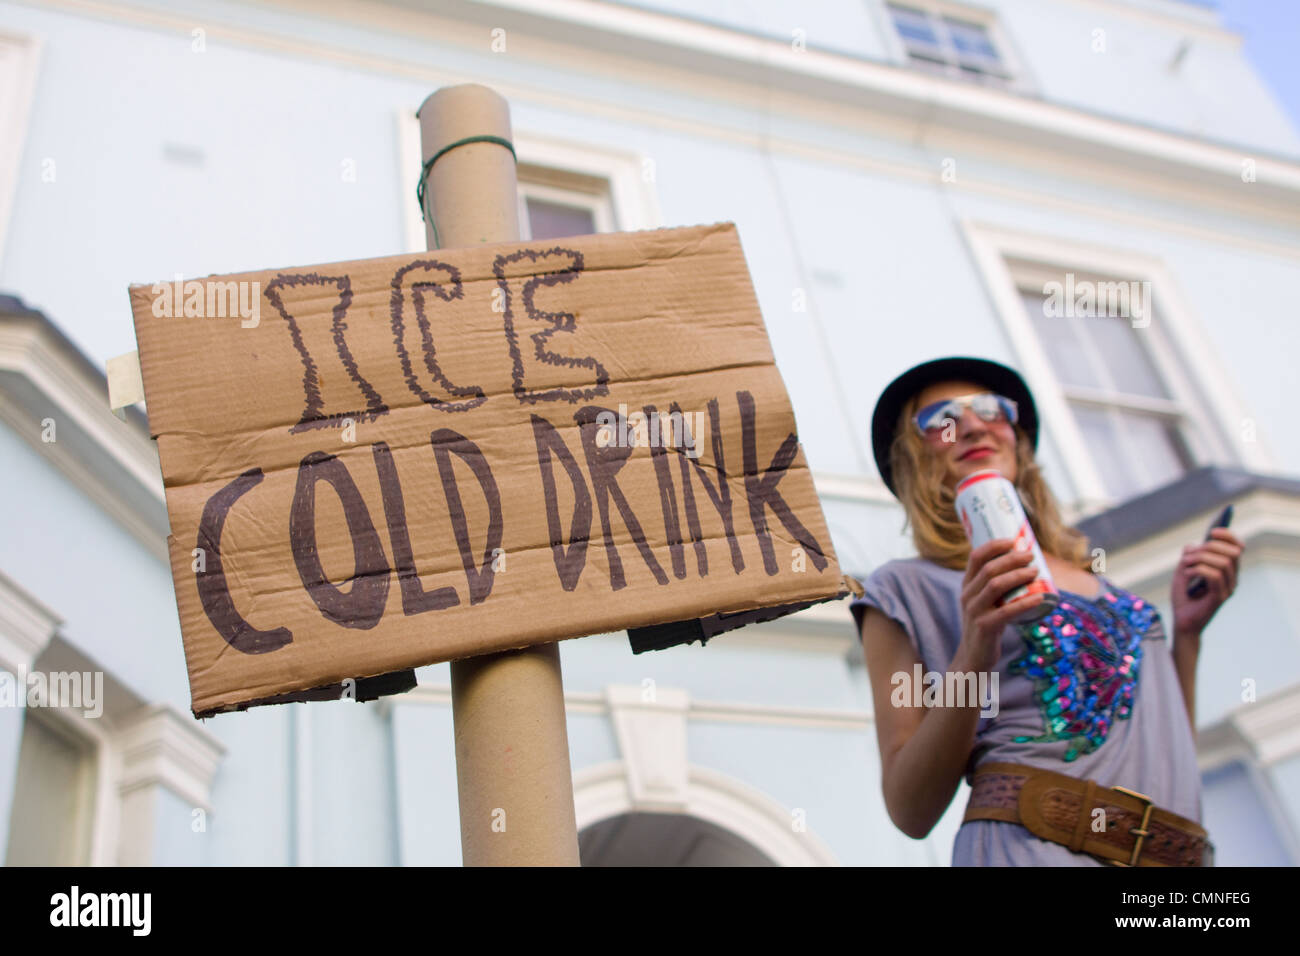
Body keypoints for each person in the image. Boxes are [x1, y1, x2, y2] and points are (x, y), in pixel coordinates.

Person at [850, 356, 1244, 866]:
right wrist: (976, 643)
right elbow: (910, 808)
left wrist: (1187, 636)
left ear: (1018, 437)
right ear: (913, 457)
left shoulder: (1104, 582)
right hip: (1034, 848)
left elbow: (1166, 752)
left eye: (991, 409)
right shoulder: (902, 588)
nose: (971, 424)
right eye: (942, 420)